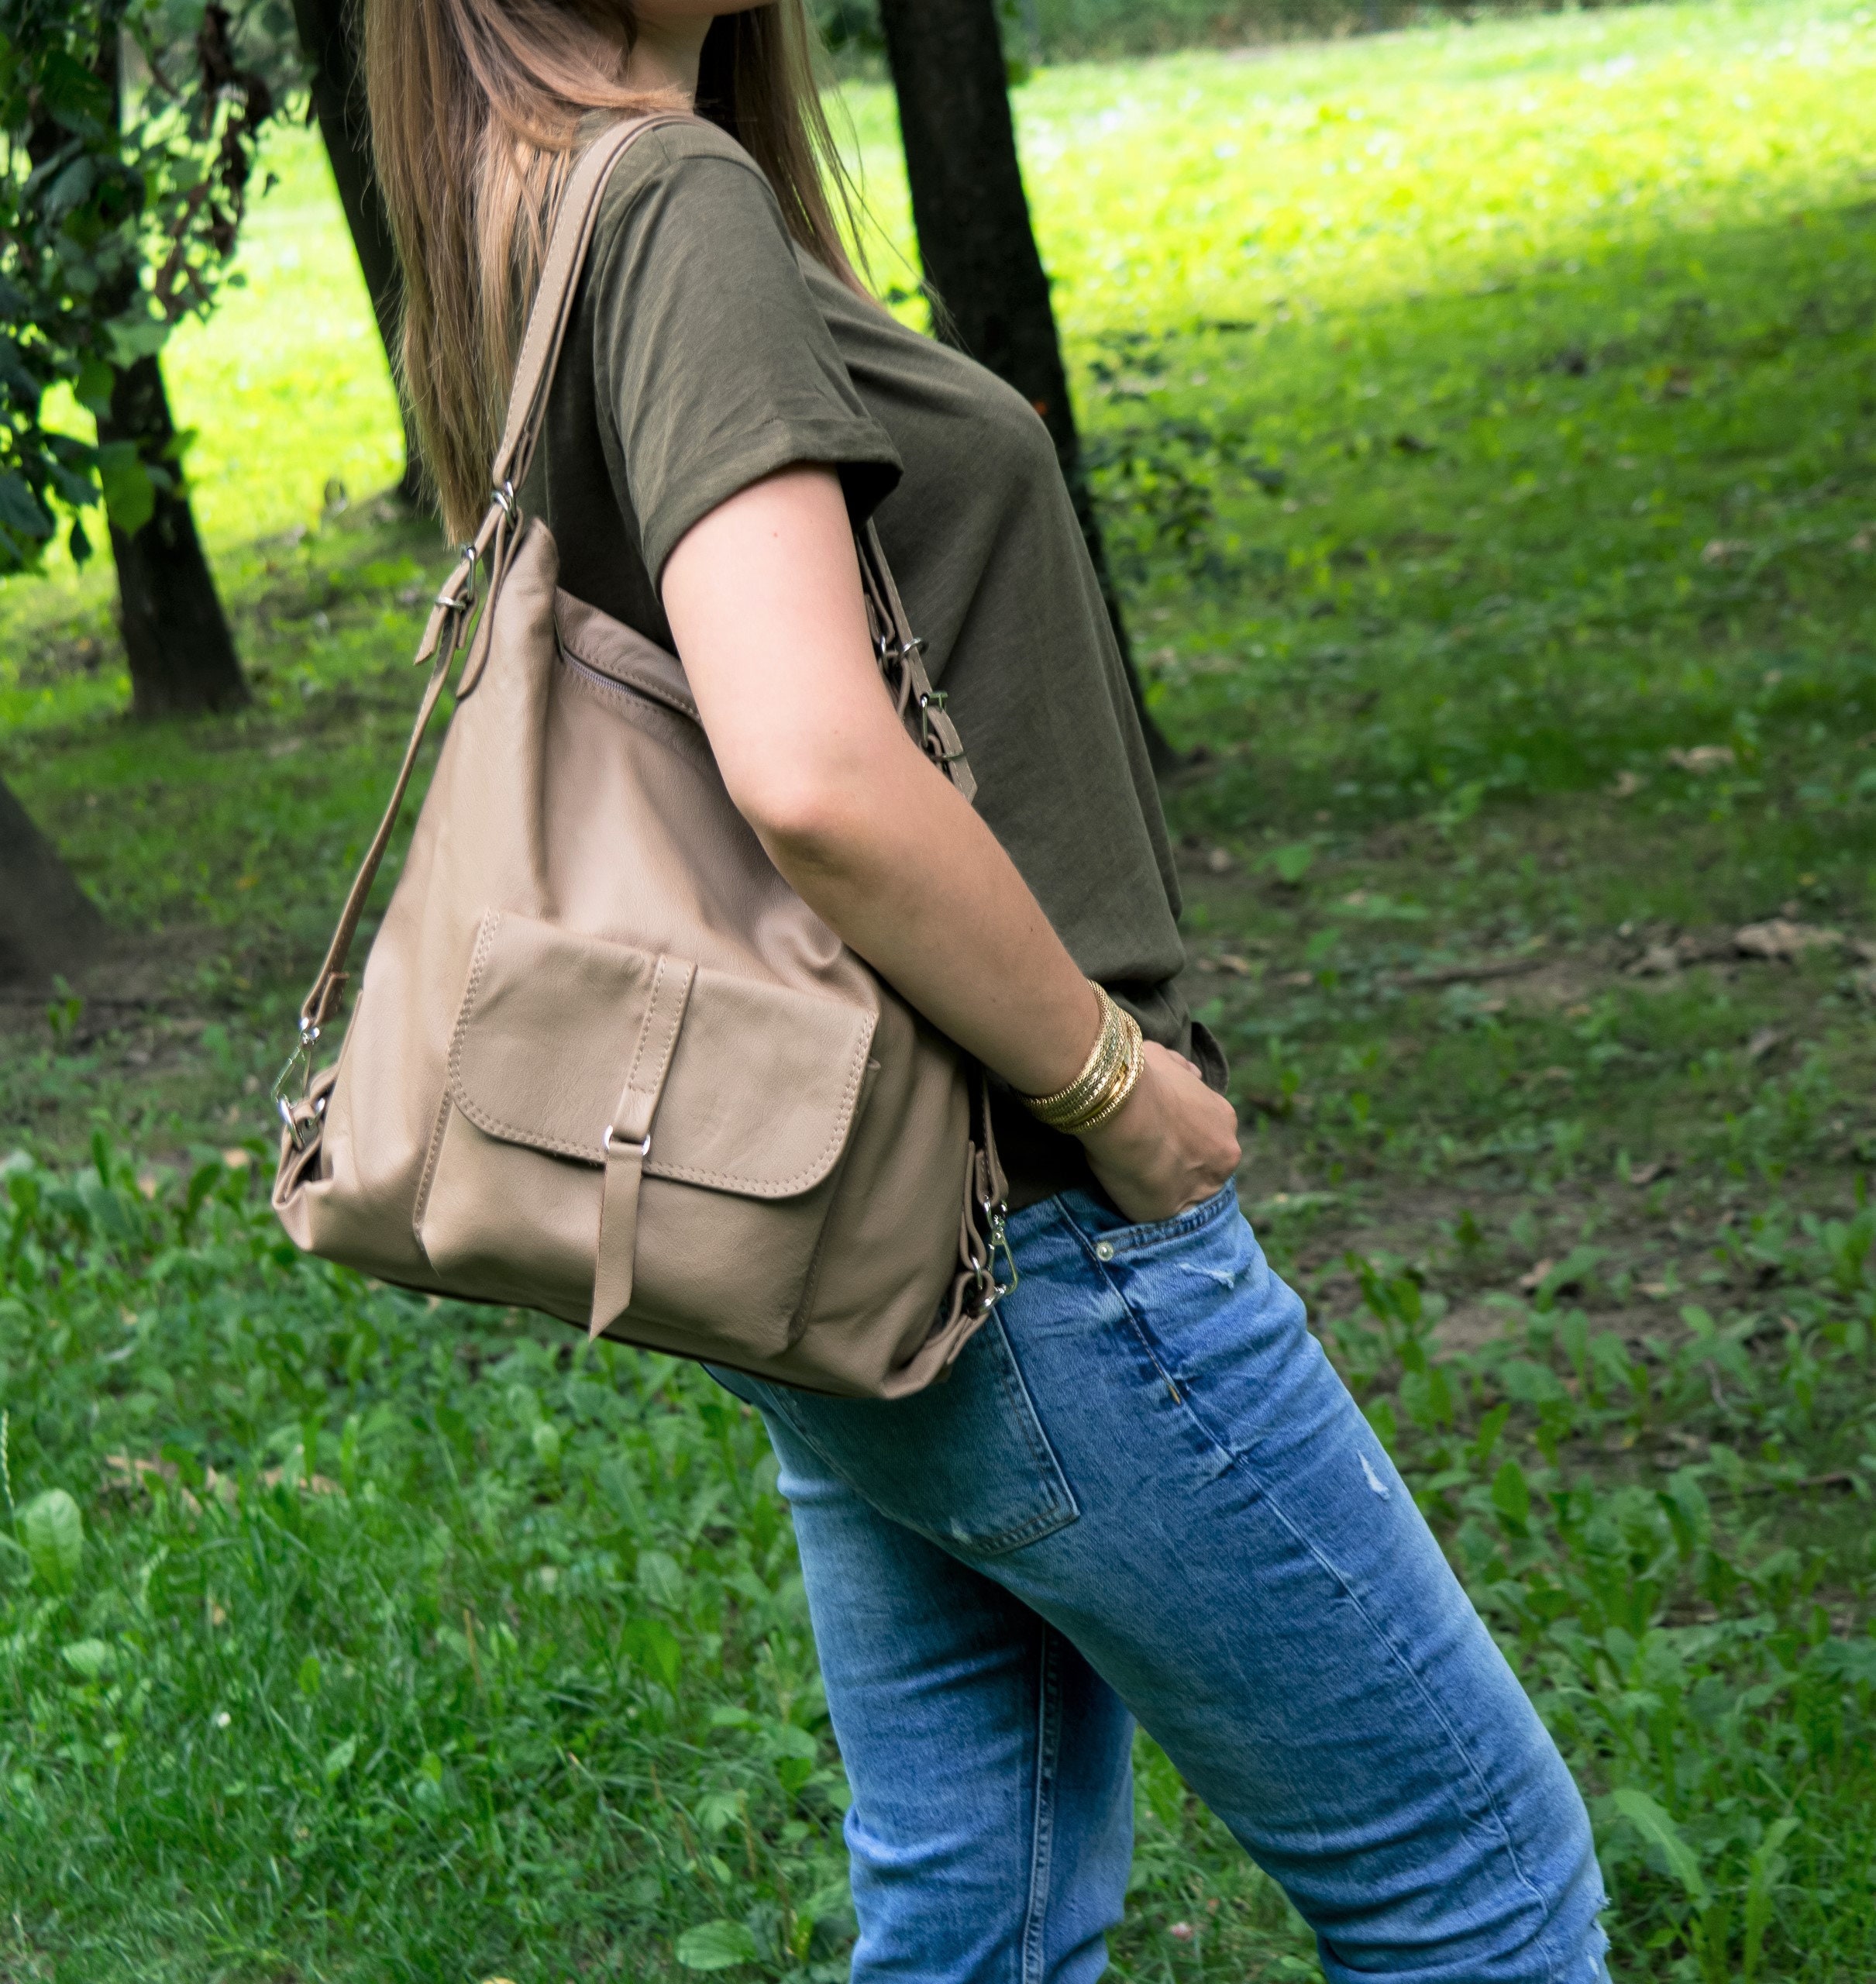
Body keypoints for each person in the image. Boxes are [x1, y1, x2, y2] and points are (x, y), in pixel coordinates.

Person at [366, 1, 1612, 1977]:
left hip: (844, 1239)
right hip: (1026, 1222)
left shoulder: (533, 202)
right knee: (1482, 1886)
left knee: (978, 1920)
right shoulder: (668, 199)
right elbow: (807, 767)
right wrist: (1123, 1093)